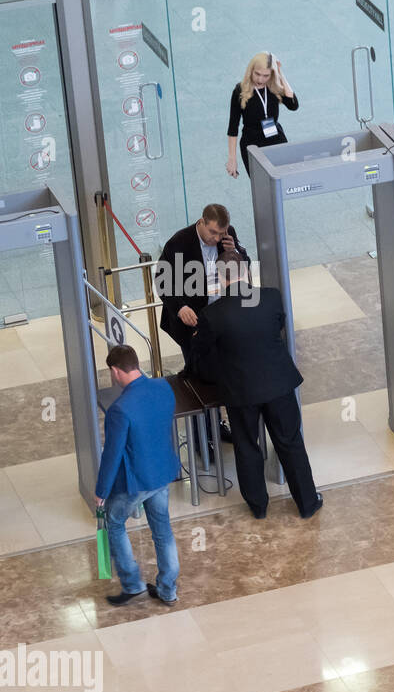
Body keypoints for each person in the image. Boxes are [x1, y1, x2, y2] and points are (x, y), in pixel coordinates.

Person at [192, 251, 322, 521]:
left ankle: (258, 506)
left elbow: (199, 354)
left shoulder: (212, 315)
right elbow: (277, 327)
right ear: (245, 272)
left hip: (241, 391)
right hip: (278, 385)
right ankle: (307, 502)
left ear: (220, 278)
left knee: (246, 445)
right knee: (290, 441)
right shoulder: (271, 297)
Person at [95, 345, 182, 607]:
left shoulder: (119, 409)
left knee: (114, 522)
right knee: (162, 530)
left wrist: (101, 492)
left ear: (114, 370)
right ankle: (168, 590)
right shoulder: (163, 388)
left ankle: (132, 584)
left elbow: (111, 455)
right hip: (162, 472)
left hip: (137, 482)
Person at [154, 204, 249, 375]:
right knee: (198, 371)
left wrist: (234, 251)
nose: (218, 238)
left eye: (222, 233)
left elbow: (244, 265)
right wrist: (180, 307)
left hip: (223, 314)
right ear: (202, 222)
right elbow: (162, 281)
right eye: (213, 232)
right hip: (193, 320)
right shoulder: (178, 242)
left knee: (230, 367)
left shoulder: (228, 235)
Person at [226, 52, 298, 178]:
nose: (260, 79)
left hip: (276, 139)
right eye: (257, 74)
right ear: (251, 71)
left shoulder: (274, 87)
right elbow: (233, 127)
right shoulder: (240, 91)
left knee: (282, 183)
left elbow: (293, 105)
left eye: (266, 76)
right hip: (252, 144)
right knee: (262, 187)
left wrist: (281, 74)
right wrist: (232, 159)